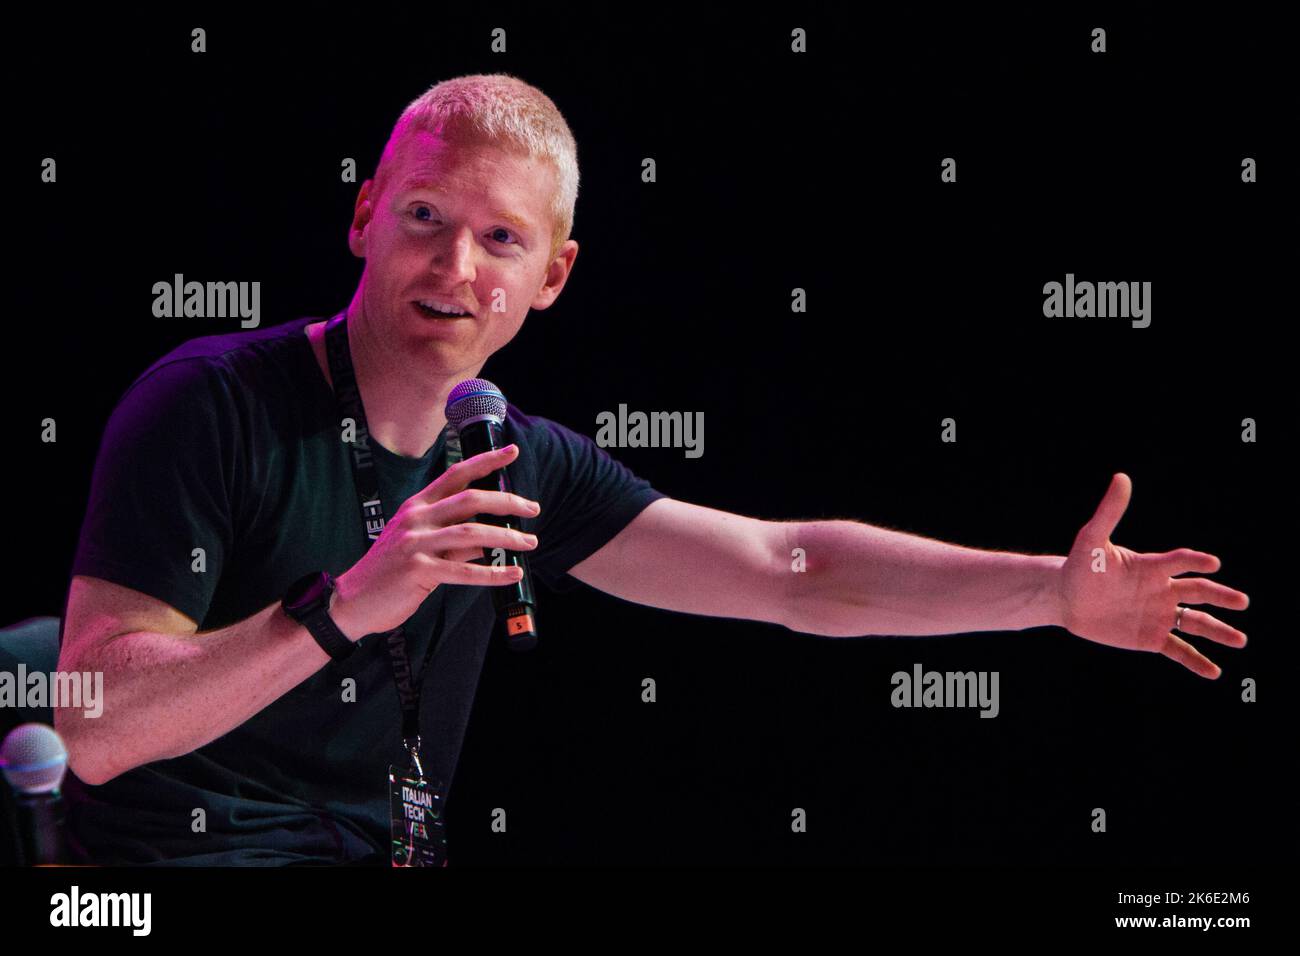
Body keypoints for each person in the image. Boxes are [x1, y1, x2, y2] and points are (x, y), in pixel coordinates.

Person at [54, 74, 1251, 866]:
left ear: (553, 276)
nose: (457, 264)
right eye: (425, 215)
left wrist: (1048, 591)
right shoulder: (209, 405)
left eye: (502, 238)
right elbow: (93, 725)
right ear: (365, 216)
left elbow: (790, 565)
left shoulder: (516, 459)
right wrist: (345, 606)